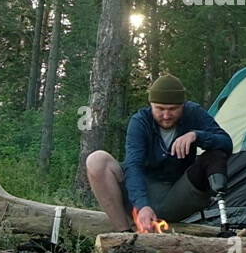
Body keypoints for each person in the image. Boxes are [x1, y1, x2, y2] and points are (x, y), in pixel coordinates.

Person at [86, 73, 232, 232]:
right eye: (160, 109)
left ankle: (224, 223)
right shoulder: (140, 122)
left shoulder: (194, 113)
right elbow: (134, 166)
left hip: (178, 195)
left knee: (215, 153)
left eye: (173, 109)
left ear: (183, 105)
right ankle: (125, 234)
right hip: (143, 192)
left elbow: (226, 143)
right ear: (151, 104)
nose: (166, 115)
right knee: (97, 160)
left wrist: (197, 135)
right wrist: (142, 206)